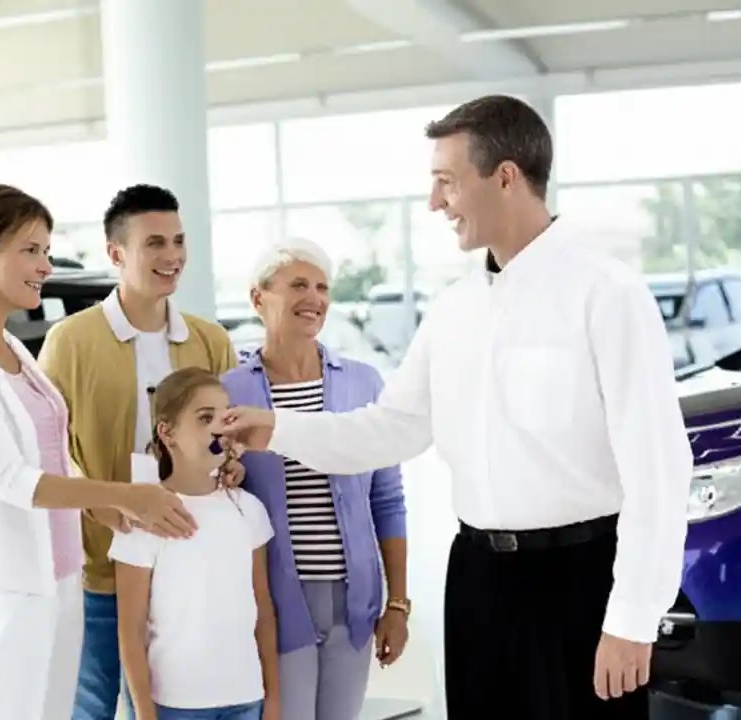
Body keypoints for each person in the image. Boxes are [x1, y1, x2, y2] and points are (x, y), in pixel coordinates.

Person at [219, 94, 694, 720]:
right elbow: (389, 429)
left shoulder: (607, 293)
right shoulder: (454, 310)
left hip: (579, 581)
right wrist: (274, 429)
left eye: (446, 181)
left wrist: (633, 617)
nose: (434, 202)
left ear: (505, 177)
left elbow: (658, 469)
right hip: (478, 582)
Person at [0, 183, 200, 720]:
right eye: (30, 250)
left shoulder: (13, 346)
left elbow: (53, 456)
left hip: (60, 582)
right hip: (6, 595)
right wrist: (126, 494)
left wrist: (96, 505)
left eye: (46, 251)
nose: (45, 265)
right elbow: (9, 478)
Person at [37, 184, 241, 720]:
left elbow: (228, 437)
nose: (172, 256)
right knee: (91, 707)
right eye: (155, 243)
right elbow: (51, 446)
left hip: (188, 573)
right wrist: (100, 505)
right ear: (116, 253)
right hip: (105, 568)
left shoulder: (210, 340)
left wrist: (233, 461)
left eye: (178, 241)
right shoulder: (70, 341)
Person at [221, 237, 409, 720]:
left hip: (355, 601)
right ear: (258, 298)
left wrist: (398, 604)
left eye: (323, 287)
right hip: (275, 601)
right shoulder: (229, 390)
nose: (315, 297)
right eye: (298, 284)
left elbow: (387, 500)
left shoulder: (363, 382)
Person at [112, 367, 278, 720]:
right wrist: (142, 711)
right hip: (175, 704)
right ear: (167, 433)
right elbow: (130, 629)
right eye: (205, 418)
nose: (221, 428)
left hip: (246, 697)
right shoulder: (144, 521)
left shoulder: (248, 510)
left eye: (226, 416)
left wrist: (273, 697)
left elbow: (263, 608)